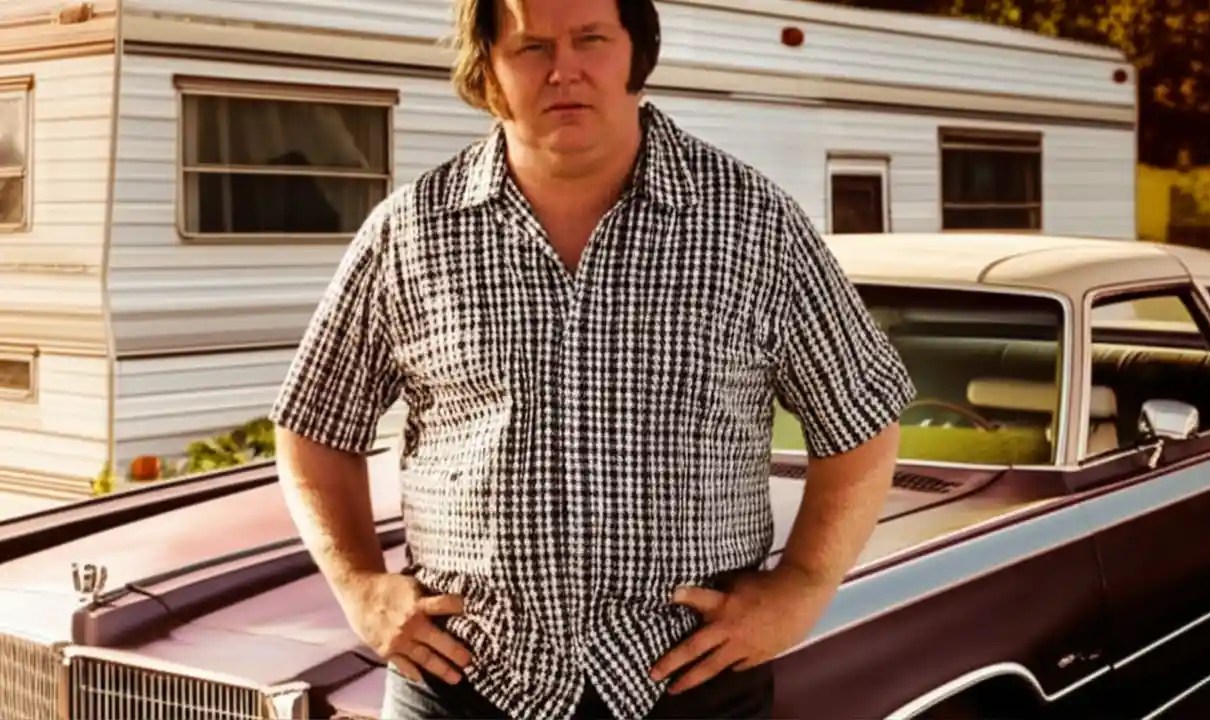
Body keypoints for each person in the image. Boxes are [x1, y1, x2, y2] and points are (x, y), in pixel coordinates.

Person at [269, 0, 916, 718]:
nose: (564, 70)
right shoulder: (412, 232)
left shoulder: (754, 225)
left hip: (689, 683)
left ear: (637, 49)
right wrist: (359, 585)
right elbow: (312, 425)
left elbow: (861, 418)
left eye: (591, 39)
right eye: (532, 47)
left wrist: (804, 585)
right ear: (488, 68)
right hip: (460, 683)